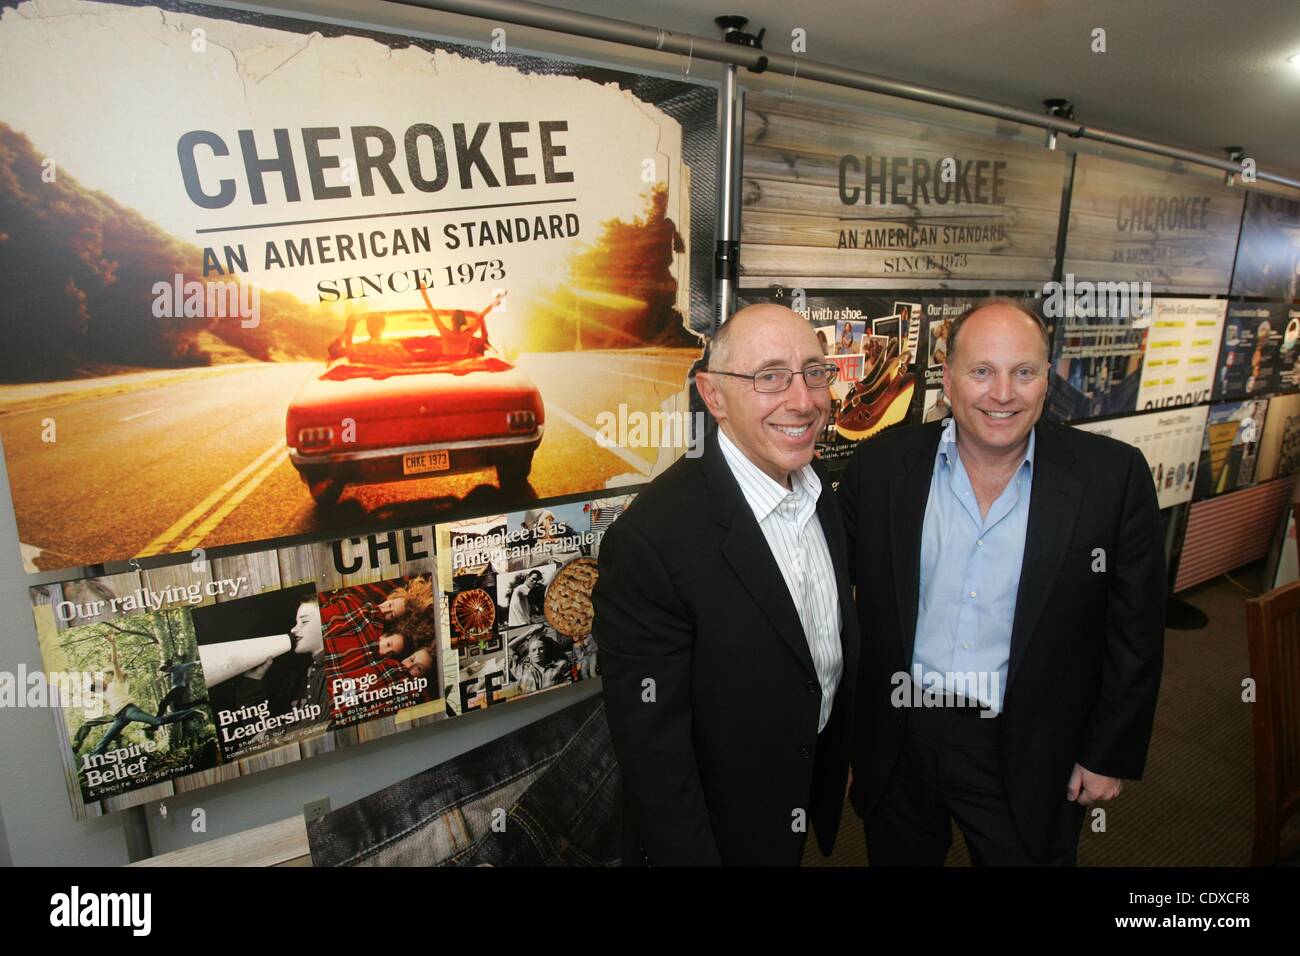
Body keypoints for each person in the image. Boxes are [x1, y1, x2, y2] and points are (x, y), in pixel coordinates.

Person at [839, 297, 1165, 866]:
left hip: (1030, 742)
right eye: (982, 371)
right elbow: (832, 601)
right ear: (948, 377)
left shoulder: (1111, 479)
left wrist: (1109, 751)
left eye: (1024, 372)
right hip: (900, 736)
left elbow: (1135, 630)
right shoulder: (882, 467)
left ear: (1047, 378)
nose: (1003, 394)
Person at [594, 303, 859, 866]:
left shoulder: (820, 492)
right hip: (718, 834)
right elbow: (654, 756)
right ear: (713, 396)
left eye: (814, 372)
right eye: (770, 377)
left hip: (792, 804)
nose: (804, 400)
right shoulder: (652, 540)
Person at [419, 286, 505, 357]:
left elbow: (432, 313)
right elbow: (482, 315)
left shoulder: (445, 333)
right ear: (463, 321)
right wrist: (497, 301)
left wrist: (424, 294)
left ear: (452, 320)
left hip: (448, 362)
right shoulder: (467, 334)